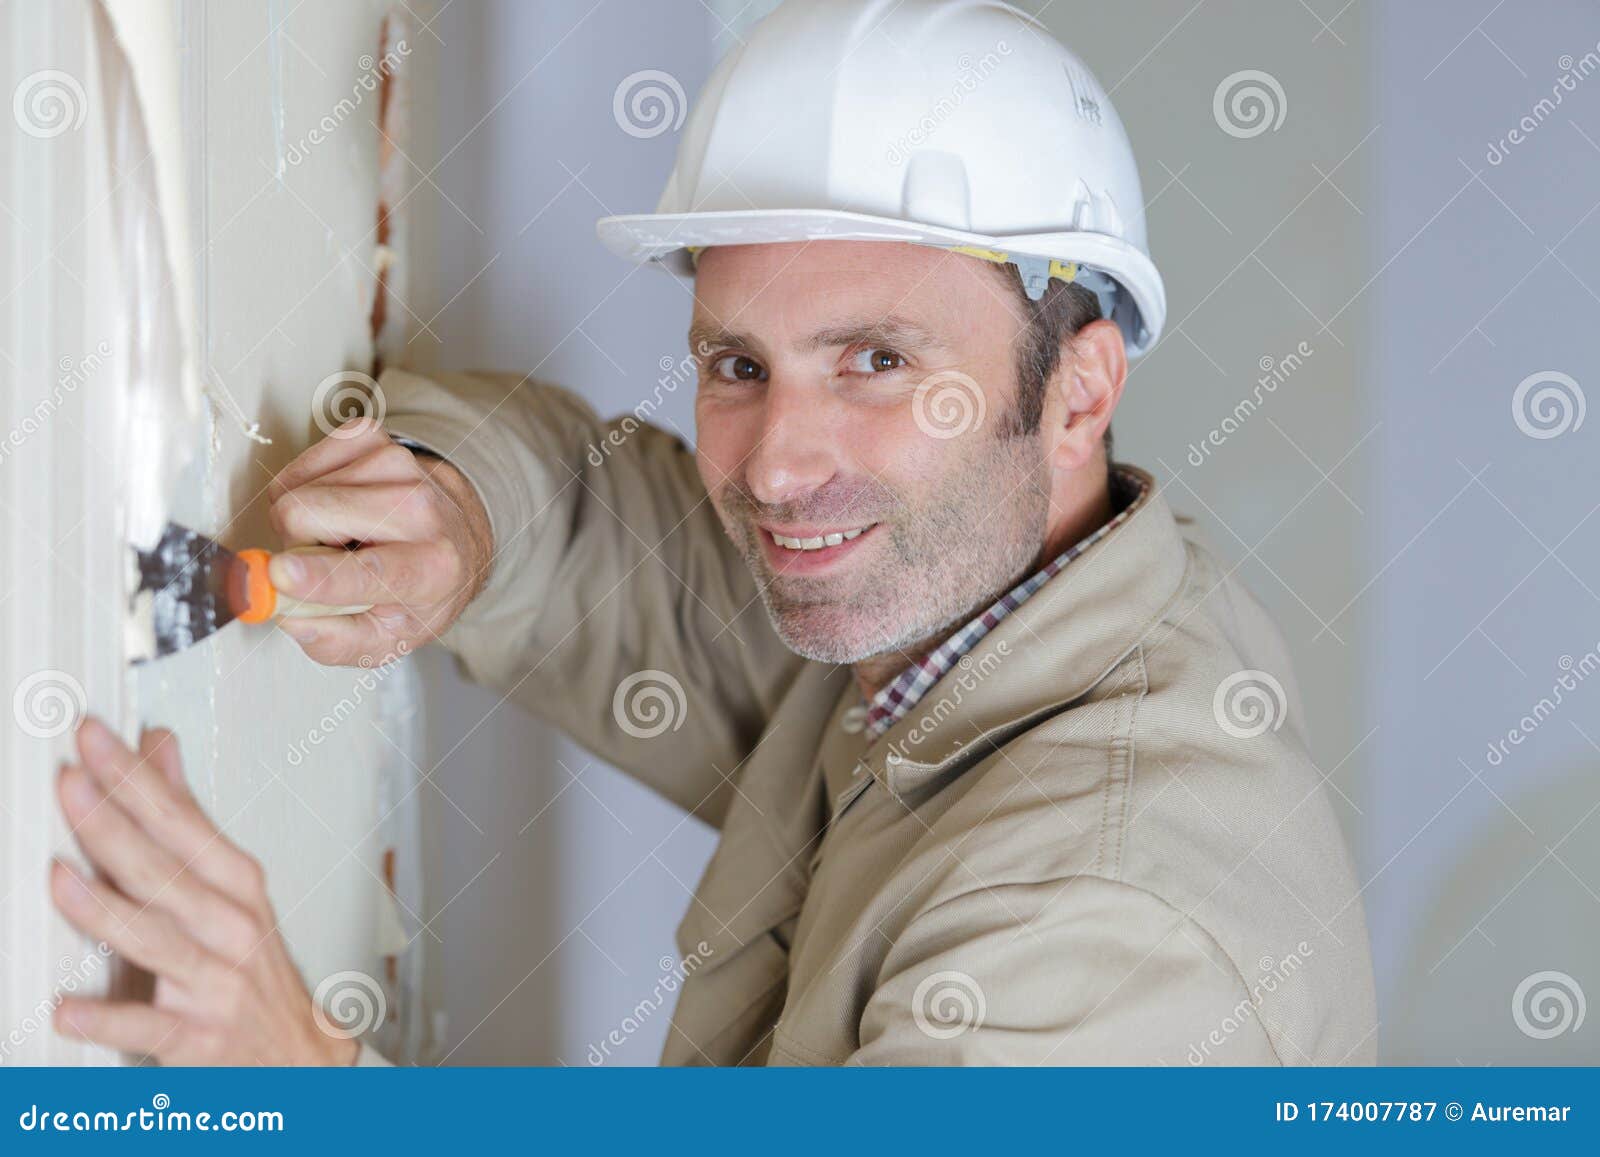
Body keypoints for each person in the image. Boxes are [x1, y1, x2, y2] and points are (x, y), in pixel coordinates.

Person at [51, 0, 1376, 1065]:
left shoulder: (1100, 942)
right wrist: (460, 518)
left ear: (1079, 390)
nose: (778, 466)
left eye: (874, 358)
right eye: (738, 365)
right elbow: (602, 536)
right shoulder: (973, 611)